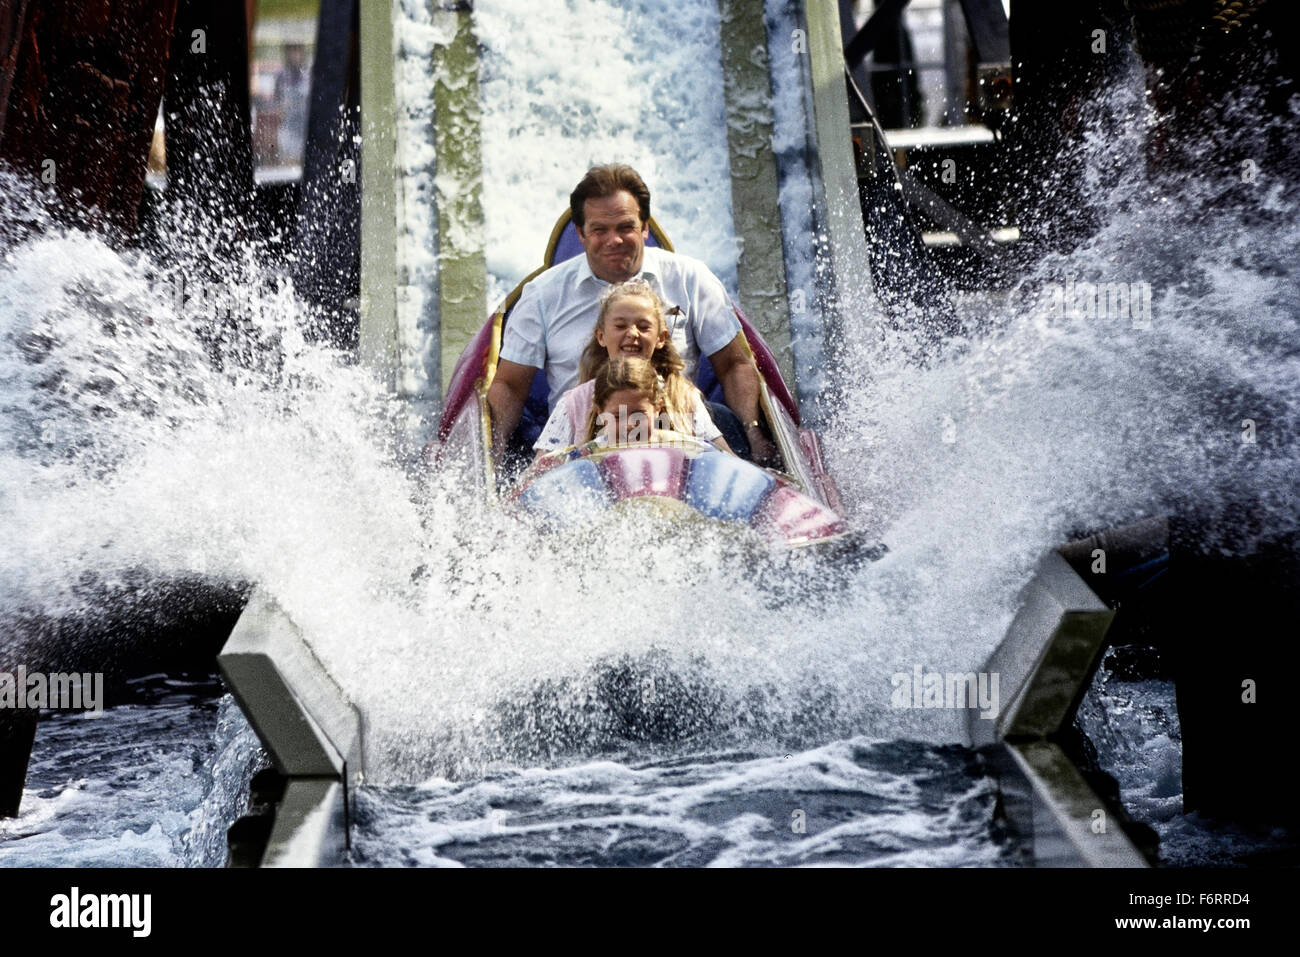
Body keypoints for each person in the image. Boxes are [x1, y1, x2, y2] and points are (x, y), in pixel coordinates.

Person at [487, 163, 779, 466]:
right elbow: (509, 384)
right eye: (600, 229)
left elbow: (734, 365)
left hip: (676, 435)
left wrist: (755, 435)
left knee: (725, 420)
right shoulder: (542, 296)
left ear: (645, 227)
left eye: (625, 227)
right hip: (581, 443)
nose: (614, 240)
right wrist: (492, 456)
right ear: (581, 234)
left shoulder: (691, 279)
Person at [533, 279, 733, 457]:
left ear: (661, 338)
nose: (632, 333)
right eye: (620, 326)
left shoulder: (684, 397)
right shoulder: (574, 403)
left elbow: (725, 460)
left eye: (644, 327)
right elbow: (538, 475)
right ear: (601, 336)